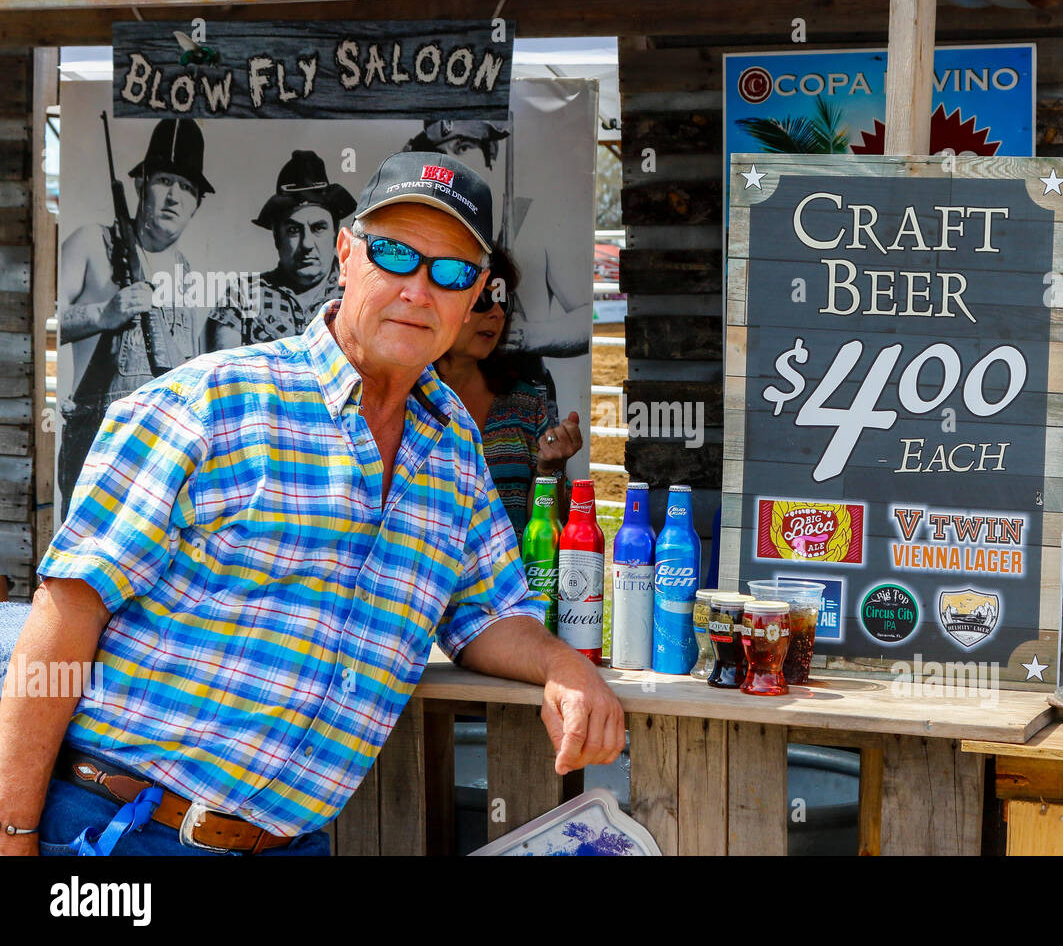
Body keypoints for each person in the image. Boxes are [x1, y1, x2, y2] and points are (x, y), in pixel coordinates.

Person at [0, 150, 623, 856]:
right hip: (126, 831)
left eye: (450, 272)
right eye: (395, 255)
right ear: (347, 254)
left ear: (475, 291)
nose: (419, 290)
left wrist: (564, 666)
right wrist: (11, 834)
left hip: (291, 843)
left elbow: (486, 612)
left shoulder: (454, 450)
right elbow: (66, 613)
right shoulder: (208, 405)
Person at [57, 118, 215, 511]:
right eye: (165, 181)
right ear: (140, 183)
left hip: (165, 457)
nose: (174, 197)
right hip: (98, 449)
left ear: (196, 205)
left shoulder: (187, 274)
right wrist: (101, 314)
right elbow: (36, 322)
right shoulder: (93, 243)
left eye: (187, 188)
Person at [434, 247, 583, 541]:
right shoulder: (404, 395)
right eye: (484, 298)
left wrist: (550, 469)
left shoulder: (524, 404)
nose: (497, 312)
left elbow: (550, 528)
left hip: (505, 584)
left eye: (505, 300)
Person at [209, 150, 355, 348]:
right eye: (294, 230)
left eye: (318, 228)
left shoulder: (357, 291)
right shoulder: (242, 296)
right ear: (277, 238)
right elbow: (224, 373)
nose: (307, 244)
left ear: (335, 235)